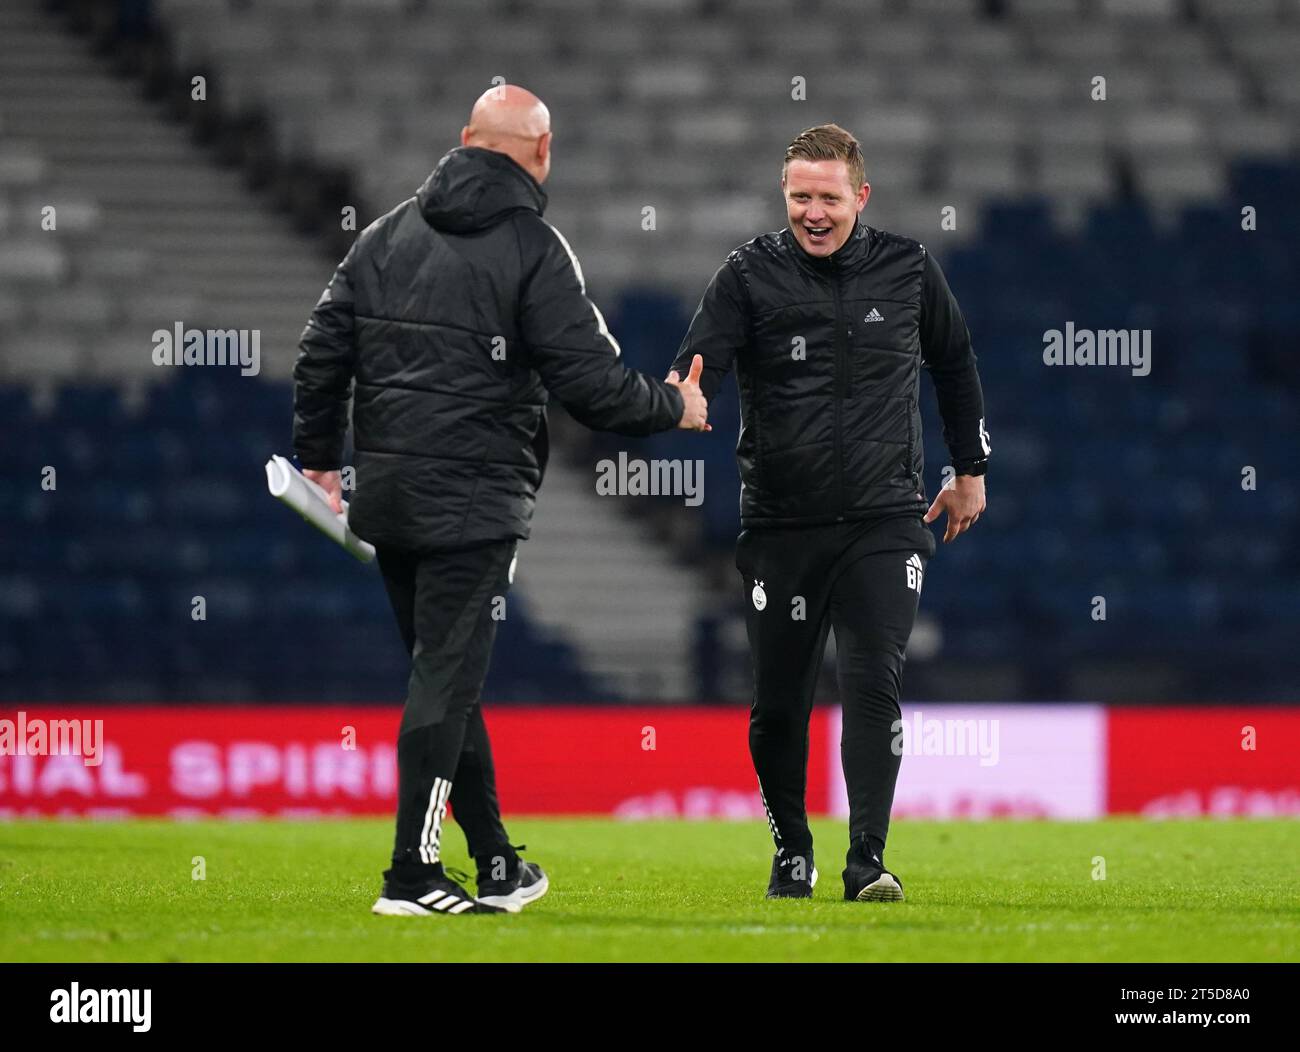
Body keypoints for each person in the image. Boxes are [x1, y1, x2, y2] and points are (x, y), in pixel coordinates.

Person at [292, 85, 709, 916]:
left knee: (446, 675)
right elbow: (591, 388)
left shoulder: (383, 237)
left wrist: (319, 459)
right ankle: (411, 876)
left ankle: (495, 864)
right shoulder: (533, 248)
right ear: (543, 153)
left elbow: (320, 349)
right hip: (476, 499)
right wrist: (676, 407)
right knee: (446, 678)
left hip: (390, 495)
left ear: (464, 140)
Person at [669, 124, 990, 902]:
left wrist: (971, 471)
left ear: (861, 197)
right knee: (779, 700)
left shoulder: (910, 269)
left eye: (829, 198)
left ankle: (867, 863)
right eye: (800, 197)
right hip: (782, 524)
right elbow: (696, 357)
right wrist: (686, 388)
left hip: (885, 519)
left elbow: (955, 363)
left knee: (873, 679)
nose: (814, 213)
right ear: (786, 195)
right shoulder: (747, 274)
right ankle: (791, 851)